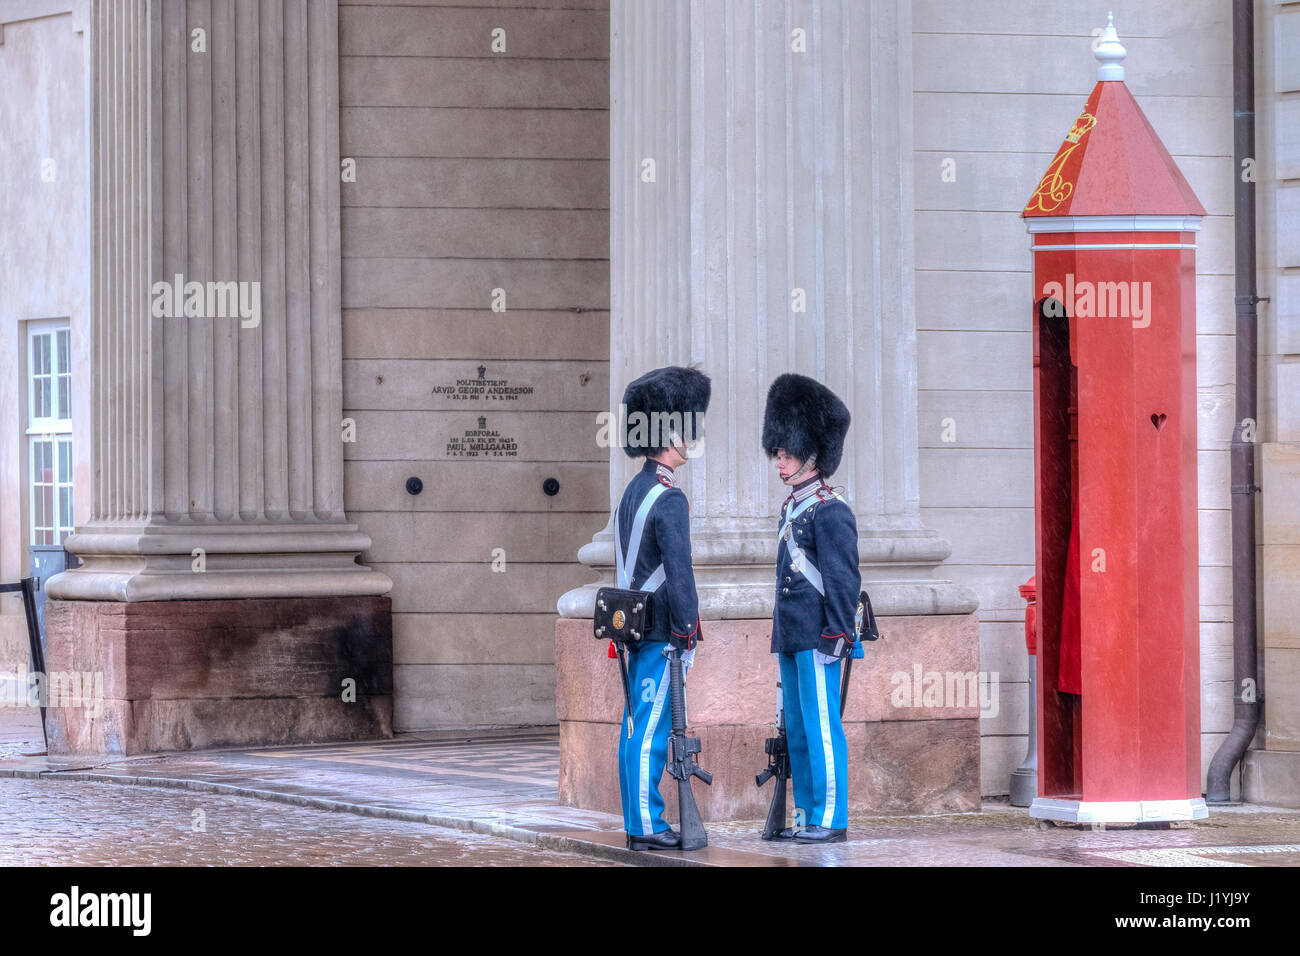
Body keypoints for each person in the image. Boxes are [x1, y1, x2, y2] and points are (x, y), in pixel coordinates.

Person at [612, 365, 710, 850]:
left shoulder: (632, 491)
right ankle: (648, 826)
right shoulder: (669, 498)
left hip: (633, 627)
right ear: (669, 432)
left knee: (634, 728)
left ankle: (637, 821)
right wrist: (687, 629)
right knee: (649, 729)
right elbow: (680, 572)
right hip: (658, 631)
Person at [760, 372, 860, 844]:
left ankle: (831, 819)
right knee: (798, 733)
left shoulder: (830, 509)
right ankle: (805, 816)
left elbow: (843, 580)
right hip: (793, 634)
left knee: (822, 731)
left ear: (811, 454)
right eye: (777, 452)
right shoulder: (791, 508)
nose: (780, 461)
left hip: (821, 636)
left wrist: (838, 635)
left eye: (787, 452)